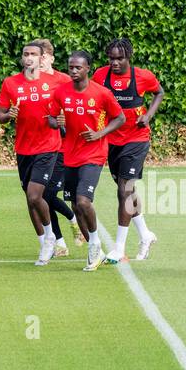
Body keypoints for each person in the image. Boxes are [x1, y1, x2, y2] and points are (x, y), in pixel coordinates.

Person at [50, 52, 125, 270]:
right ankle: (96, 249)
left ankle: (94, 244)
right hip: (70, 154)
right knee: (74, 204)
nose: (73, 71)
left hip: (94, 154)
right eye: (71, 67)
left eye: (78, 68)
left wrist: (100, 133)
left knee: (83, 201)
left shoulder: (102, 93)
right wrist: (57, 122)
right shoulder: (61, 92)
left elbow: (120, 117)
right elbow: (52, 120)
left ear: (88, 69)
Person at [92, 38, 164, 264]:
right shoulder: (100, 76)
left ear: (128, 57)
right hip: (111, 140)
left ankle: (119, 248)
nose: (114, 62)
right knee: (127, 192)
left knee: (125, 190)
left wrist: (148, 115)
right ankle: (145, 234)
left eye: (120, 58)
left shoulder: (143, 76)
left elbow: (159, 93)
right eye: (111, 58)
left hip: (136, 139)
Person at [0, 42, 65, 265]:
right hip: (23, 148)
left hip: (48, 146)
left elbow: (78, 94)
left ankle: (50, 239)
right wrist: (10, 115)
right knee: (30, 199)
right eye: (25, 54)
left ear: (41, 58)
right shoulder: (11, 83)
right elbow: (0, 115)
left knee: (35, 195)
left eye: (34, 54)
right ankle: (43, 240)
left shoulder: (56, 81)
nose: (29, 58)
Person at [33, 38, 83, 255]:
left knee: (50, 193)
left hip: (63, 148)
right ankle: (60, 244)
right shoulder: (30, 82)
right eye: (37, 56)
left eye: (43, 56)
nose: (40, 61)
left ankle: (73, 219)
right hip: (40, 148)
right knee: (42, 197)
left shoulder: (64, 80)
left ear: (51, 58)